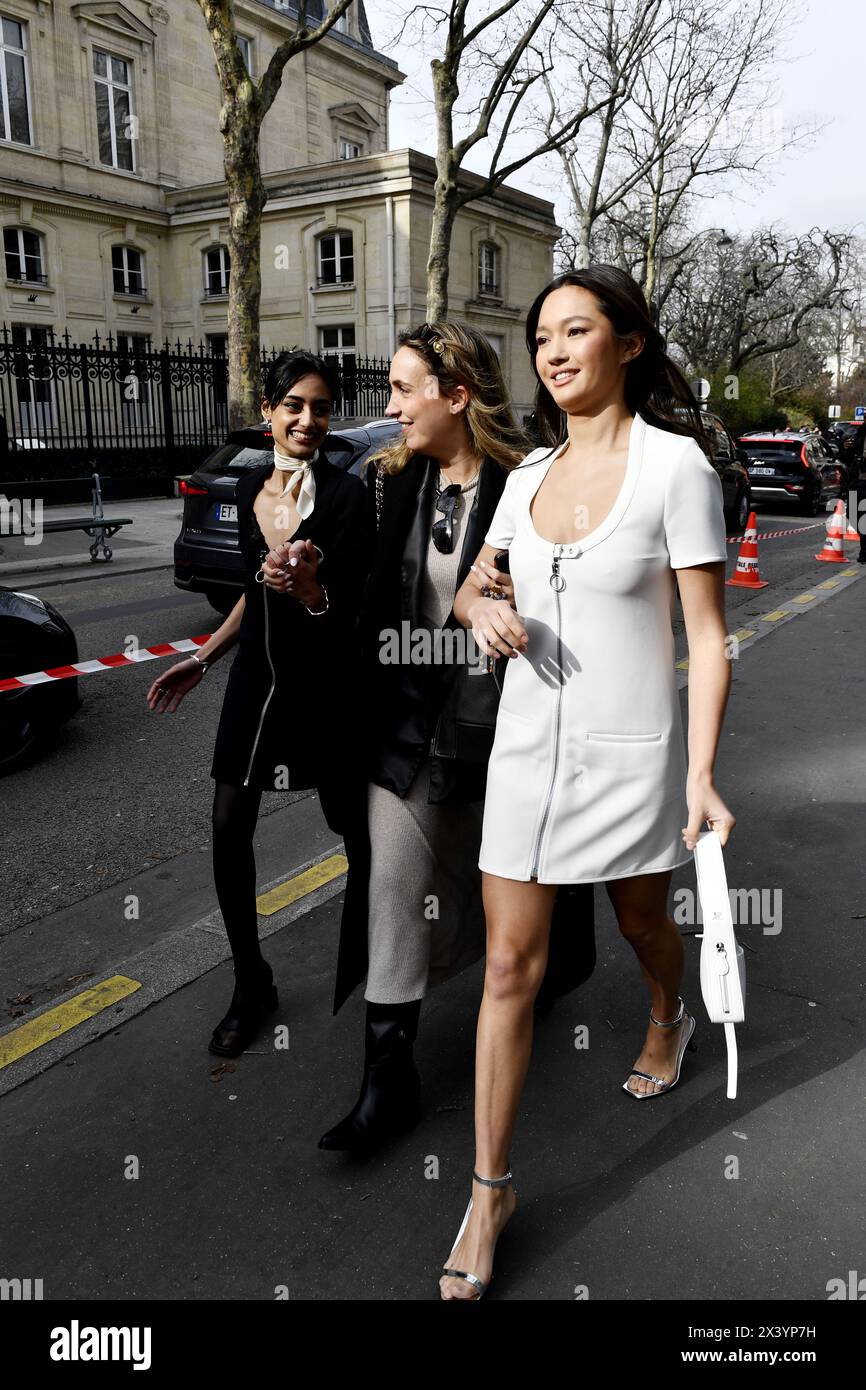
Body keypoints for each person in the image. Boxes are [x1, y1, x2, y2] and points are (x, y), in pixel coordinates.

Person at [438, 266, 737, 1299]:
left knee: (640, 920)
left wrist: (698, 775)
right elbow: (477, 582)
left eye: (575, 330)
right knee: (508, 969)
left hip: (630, 752)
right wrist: (479, 610)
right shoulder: (522, 479)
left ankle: (667, 1008)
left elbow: (706, 634)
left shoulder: (675, 469)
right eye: (540, 338)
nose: (553, 351)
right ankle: (487, 1191)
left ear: (629, 343)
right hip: (523, 752)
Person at [311, 321, 596, 1156]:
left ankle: (543, 975)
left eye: (405, 390)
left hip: (499, 734)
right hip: (402, 728)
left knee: (506, 888)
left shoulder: (529, 486)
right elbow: (354, 608)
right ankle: (385, 1084)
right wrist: (309, 589)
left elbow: (573, 611)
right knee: (394, 885)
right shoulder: (381, 485)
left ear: (457, 396)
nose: (390, 407)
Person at [145, 350, 373, 1056]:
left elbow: (355, 611)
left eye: (322, 407)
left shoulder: (345, 496)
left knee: (354, 829)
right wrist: (204, 657)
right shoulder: (248, 495)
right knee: (227, 820)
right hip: (255, 679)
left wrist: (312, 592)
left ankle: (386, 961)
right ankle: (251, 982)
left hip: (324, 682)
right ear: (270, 412)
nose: (309, 419)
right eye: (295, 405)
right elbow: (251, 590)